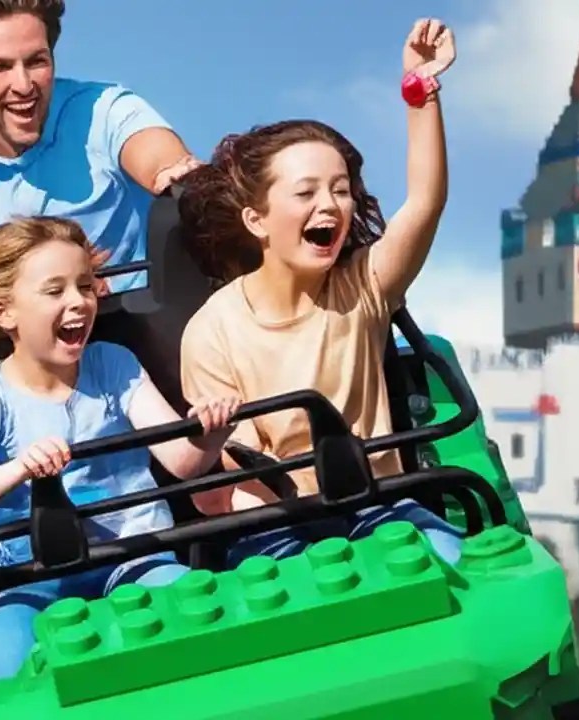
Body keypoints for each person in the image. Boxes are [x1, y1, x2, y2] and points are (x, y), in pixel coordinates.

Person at [0, 216, 240, 680]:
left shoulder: (116, 365)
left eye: (85, 287)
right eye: (54, 292)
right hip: (29, 575)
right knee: (3, 659)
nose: (77, 302)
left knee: (195, 617)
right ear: (5, 313)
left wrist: (209, 433)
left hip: (133, 556)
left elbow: (181, 461)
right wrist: (19, 468)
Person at [177, 19, 464, 565]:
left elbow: (426, 200)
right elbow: (239, 464)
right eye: (306, 192)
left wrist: (420, 89)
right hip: (278, 527)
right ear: (257, 220)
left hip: (383, 506)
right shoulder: (213, 331)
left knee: (448, 566)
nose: (329, 205)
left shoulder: (364, 284)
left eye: (340, 190)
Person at [0, 0, 201, 293]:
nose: (23, 85)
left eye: (36, 61)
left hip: (130, 319)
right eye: (0, 67)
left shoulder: (102, 109)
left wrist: (174, 173)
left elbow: (161, 159)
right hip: (5, 327)